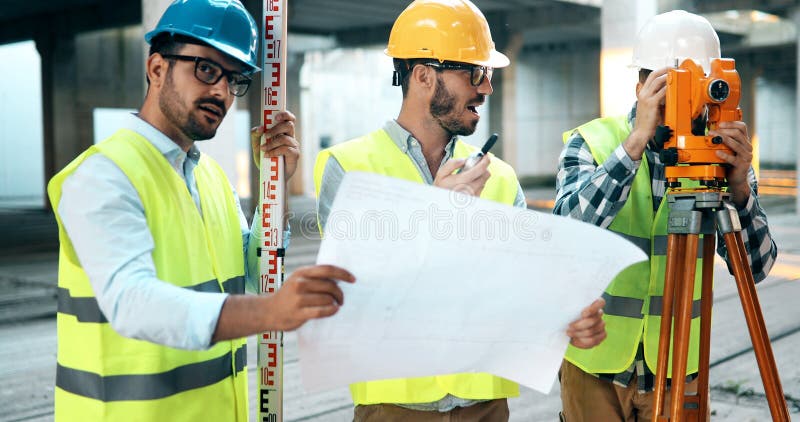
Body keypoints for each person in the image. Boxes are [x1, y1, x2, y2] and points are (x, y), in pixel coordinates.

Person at [47, 0, 353, 420]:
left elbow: (255, 274)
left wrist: (274, 191)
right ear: (157, 69)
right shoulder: (103, 176)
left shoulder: (212, 179)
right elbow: (131, 302)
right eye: (207, 70)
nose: (222, 92)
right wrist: (271, 312)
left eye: (234, 79)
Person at [313, 0, 606, 420]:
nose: (486, 88)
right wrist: (433, 214)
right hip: (394, 408)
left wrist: (564, 319)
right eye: (475, 73)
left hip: (485, 408)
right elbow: (352, 293)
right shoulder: (350, 167)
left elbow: (520, 288)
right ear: (423, 75)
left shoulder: (499, 177)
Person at [555, 10, 777, 421]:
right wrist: (635, 143)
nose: (687, 103)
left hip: (680, 371)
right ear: (641, 86)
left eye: (698, 89)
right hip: (596, 368)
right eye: (674, 87)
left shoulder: (719, 159)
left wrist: (741, 186)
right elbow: (566, 233)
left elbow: (758, 266)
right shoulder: (593, 142)